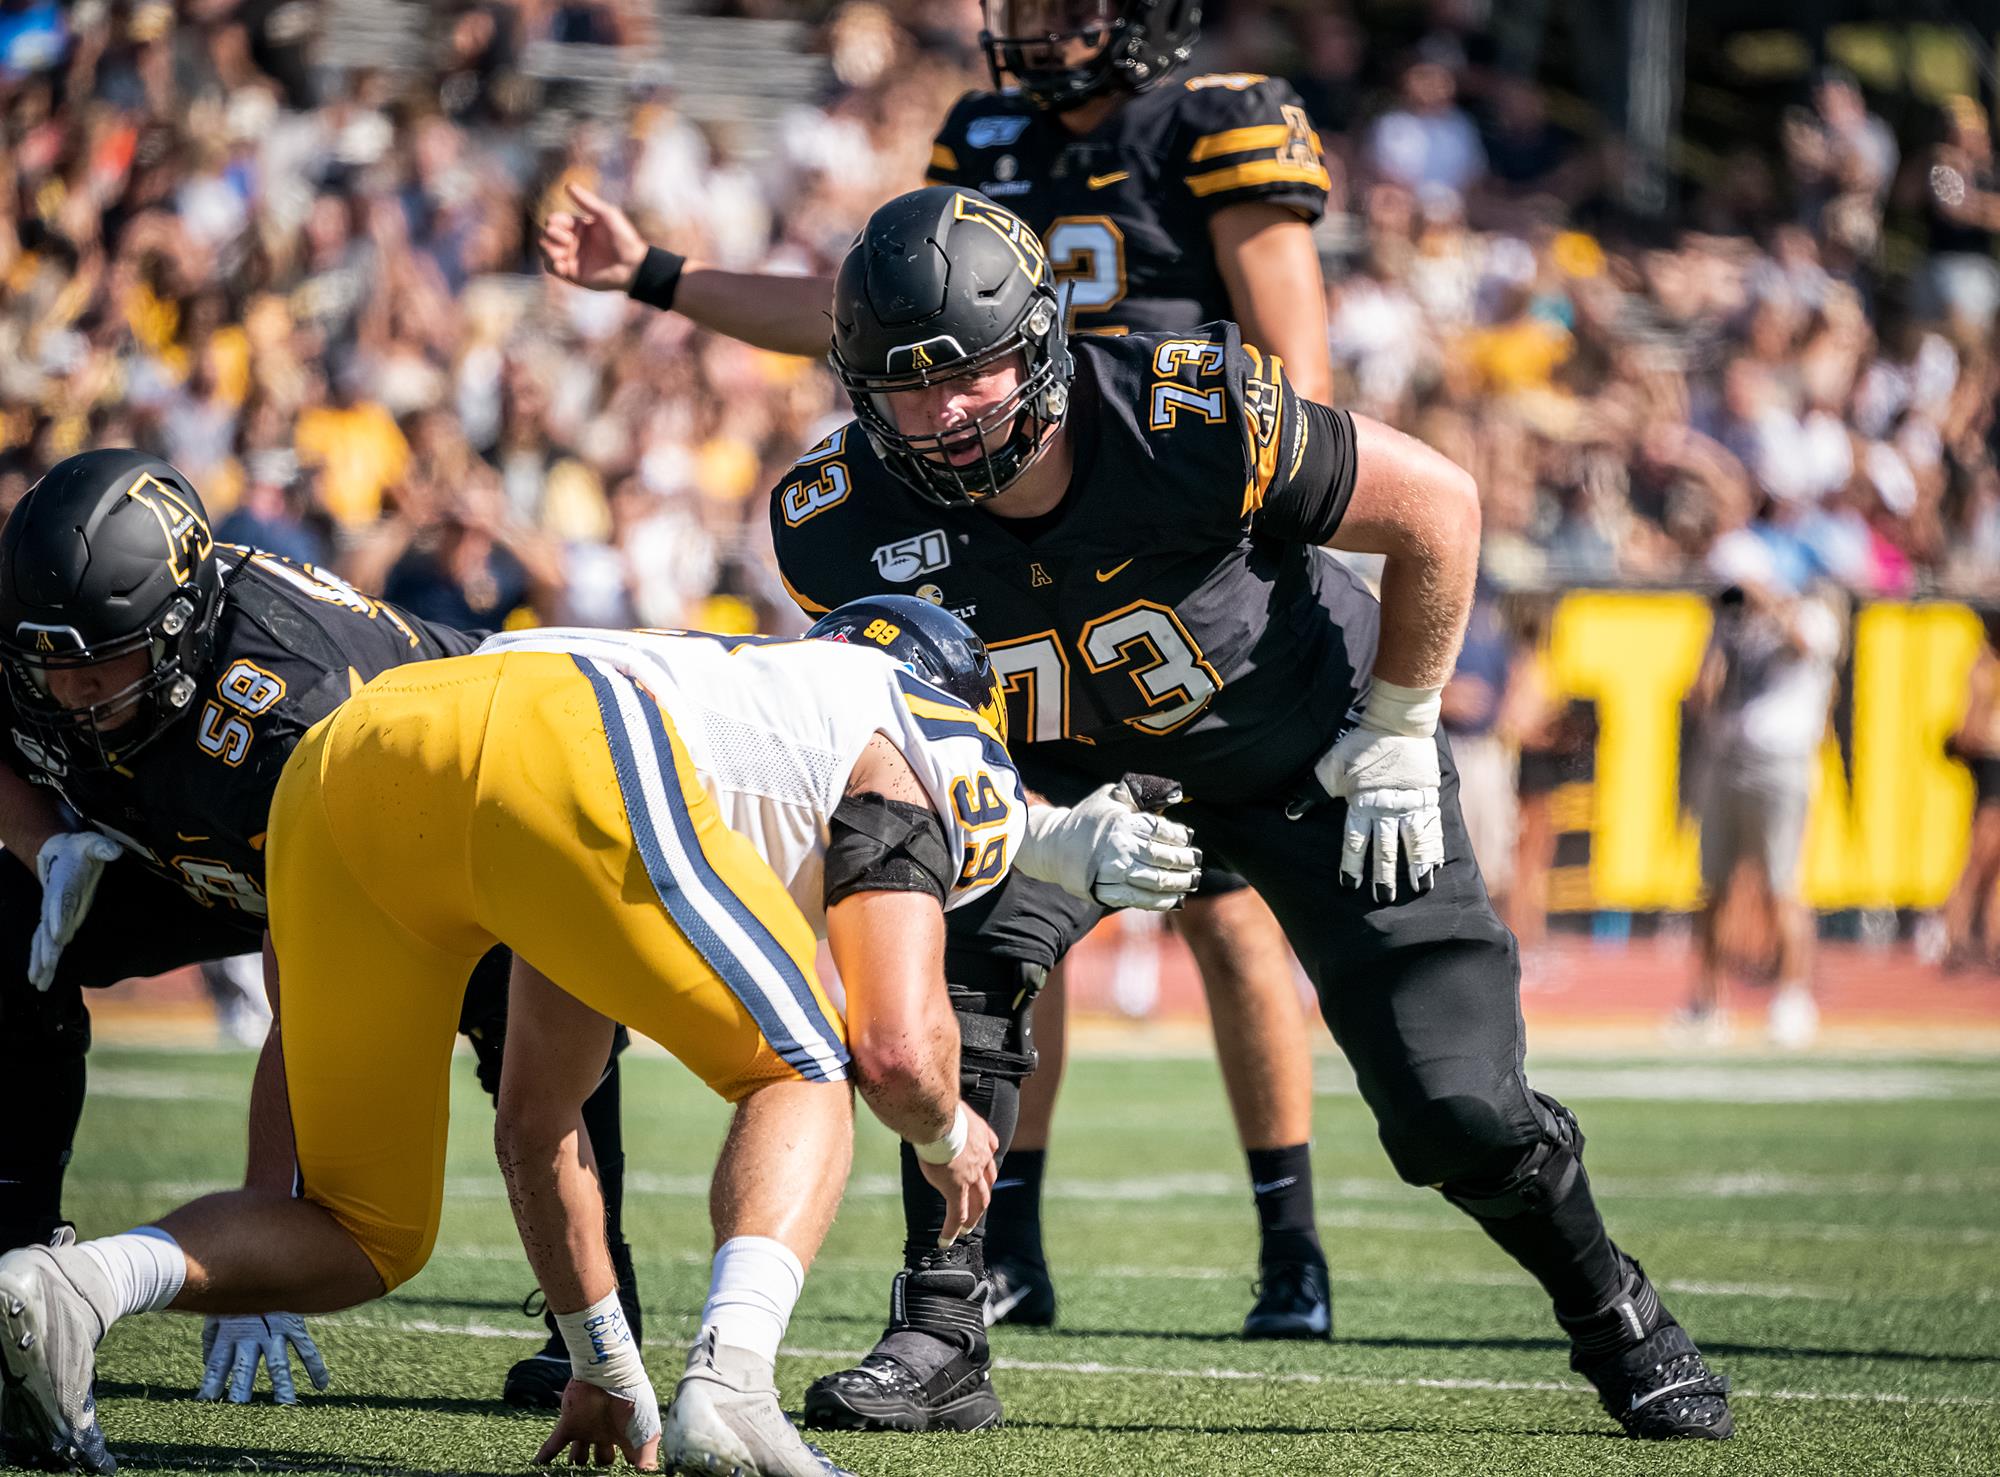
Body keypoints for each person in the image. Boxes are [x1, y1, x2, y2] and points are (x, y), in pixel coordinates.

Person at [766, 186, 1732, 1441]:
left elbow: (1435, 507)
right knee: (951, 980)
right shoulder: (838, 520)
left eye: (974, 375)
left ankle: (1613, 1310)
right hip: (1064, 780)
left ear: (1041, 347)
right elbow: (894, 738)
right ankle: (942, 1324)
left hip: (1312, 755)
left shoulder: (1183, 415)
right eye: (905, 387)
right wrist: (1037, 830)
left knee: (1455, 1107)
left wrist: (1397, 725)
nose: (943, 416)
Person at [540, 0, 1342, 1346]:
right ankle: (1004, 1242)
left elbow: (1296, 375)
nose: (1031, 31)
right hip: (1012, 556)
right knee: (1018, 885)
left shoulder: (1217, 125)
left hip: (1169, 549)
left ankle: (1292, 1249)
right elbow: (882, 319)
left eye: (1061, 7)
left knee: (1226, 911)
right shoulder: (990, 136)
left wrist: (1243, 543)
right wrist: (662, 276)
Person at [0, 600, 1193, 1474]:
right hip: (561, 740)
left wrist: (602, 1361)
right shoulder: (921, 730)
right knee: (801, 1067)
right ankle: (730, 1384)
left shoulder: (739, 713)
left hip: (359, 753)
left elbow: (536, 1127)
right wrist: (945, 1127)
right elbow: (892, 1046)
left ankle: (78, 1283)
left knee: (362, 1232)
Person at [0, 449, 638, 1415]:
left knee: (532, 1020)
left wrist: (260, 1235)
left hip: (438, 822)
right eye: (50, 667)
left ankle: (595, 1313)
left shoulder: (286, 711)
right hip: (189, 824)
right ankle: (17, 1245)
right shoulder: (47, 628)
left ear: (179, 627)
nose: (73, 694)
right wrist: (46, 844)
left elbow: (308, 987)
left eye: (102, 667)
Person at [1680, 559, 1843, 1050]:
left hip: (1781, 766)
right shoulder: (1734, 626)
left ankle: (1793, 998)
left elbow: (1802, 645)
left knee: (1782, 885)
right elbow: (1700, 693)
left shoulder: (1815, 615)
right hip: (1727, 759)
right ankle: (1707, 1003)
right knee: (1713, 886)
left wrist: (1768, 600)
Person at [1941, 612, 2000, 971]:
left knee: (1992, 863)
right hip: (1993, 764)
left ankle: (1990, 941)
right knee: (1981, 857)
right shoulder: (1984, 667)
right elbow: (1971, 731)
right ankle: (1956, 937)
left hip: (1993, 762)